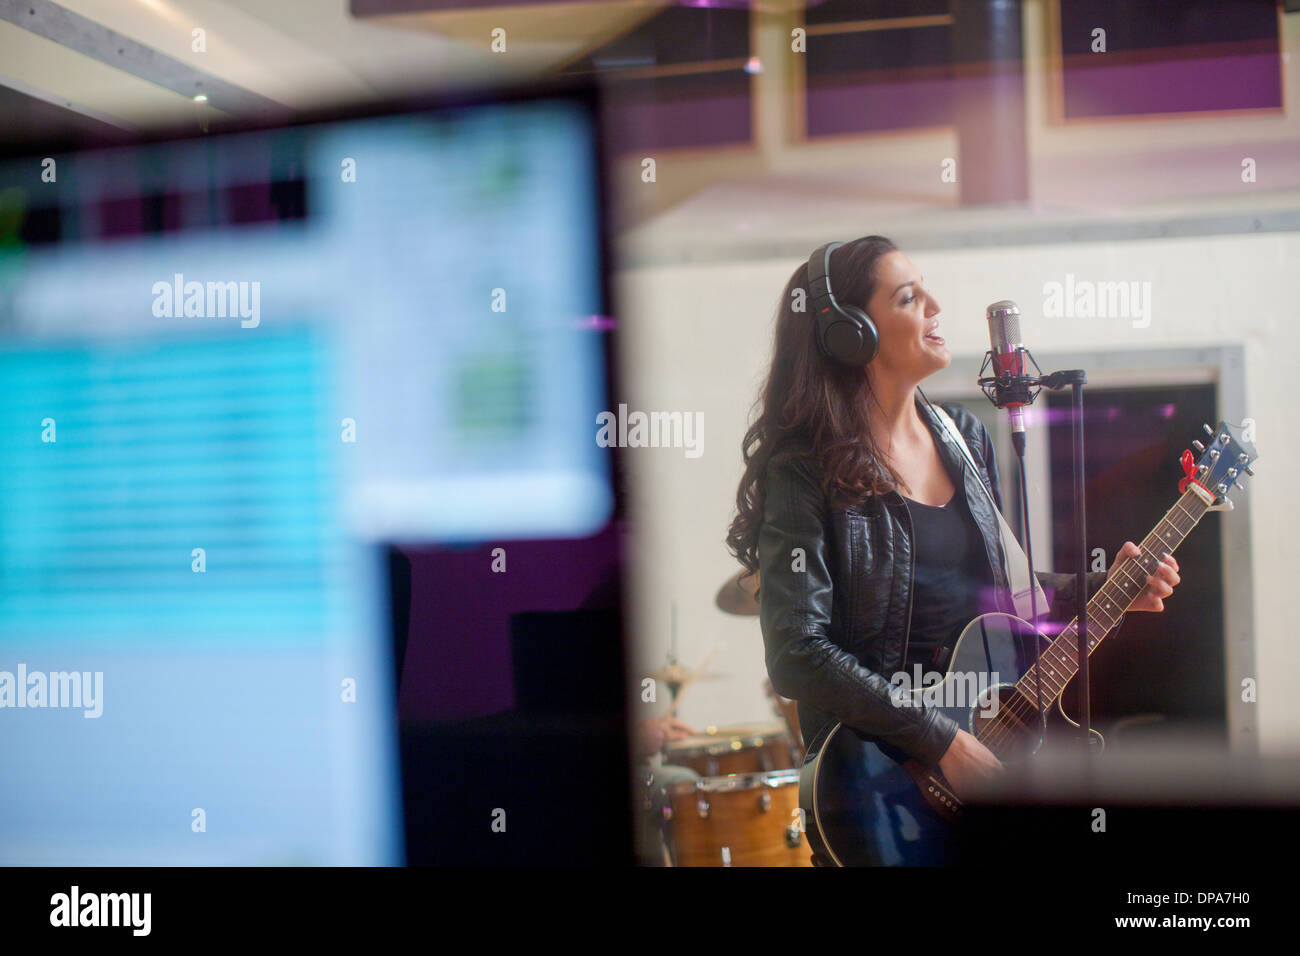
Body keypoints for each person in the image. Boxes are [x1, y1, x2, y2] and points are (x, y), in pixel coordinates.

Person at [724, 236, 1181, 859]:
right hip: (876, 786)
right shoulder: (802, 469)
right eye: (908, 297)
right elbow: (796, 653)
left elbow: (1005, 593)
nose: (936, 307)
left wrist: (1104, 588)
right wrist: (940, 740)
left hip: (986, 755)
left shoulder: (964, 437)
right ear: (851, 334)